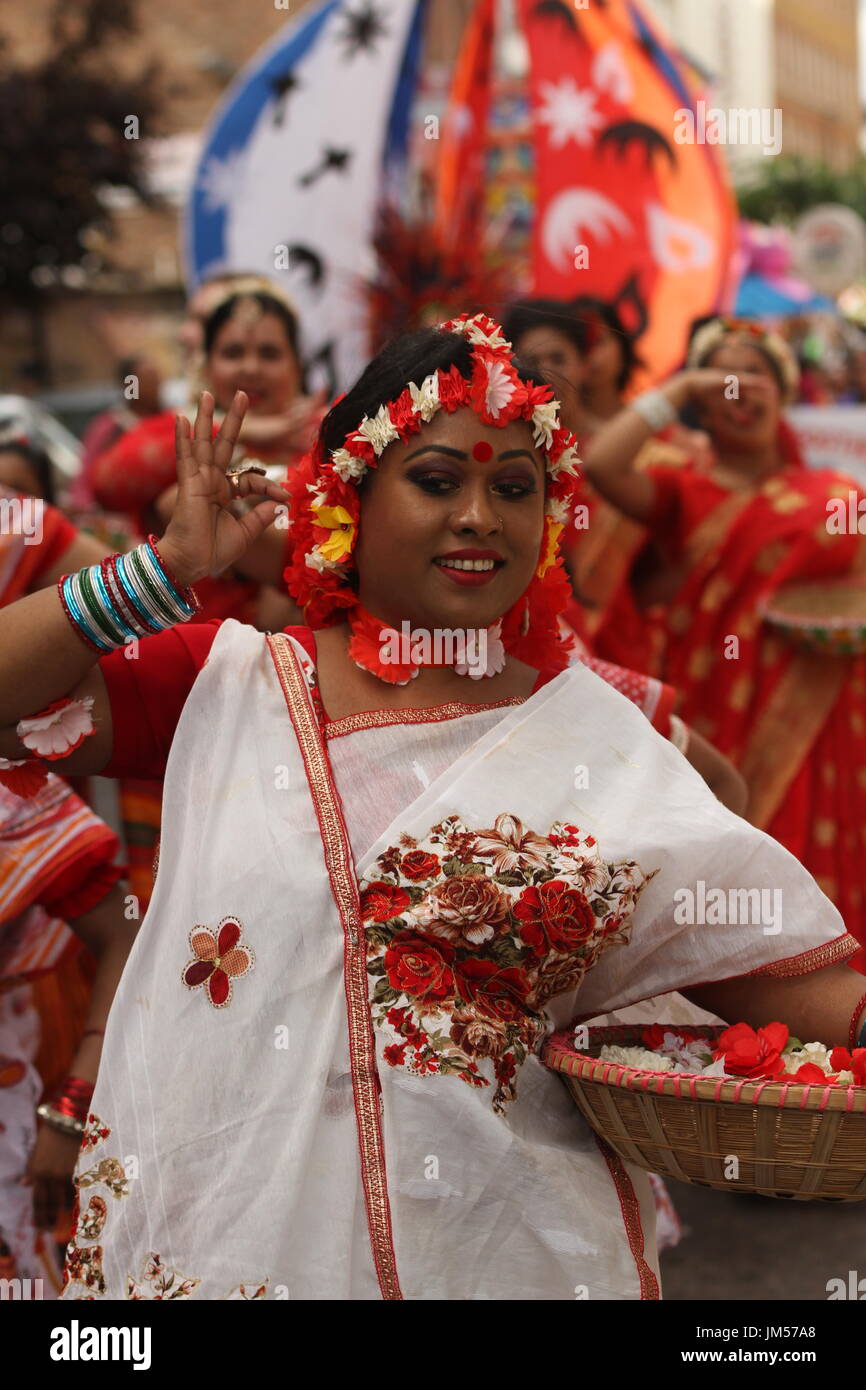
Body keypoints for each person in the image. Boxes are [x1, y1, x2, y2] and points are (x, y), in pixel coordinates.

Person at [0, 314, 862, 1302]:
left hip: (508, 1259)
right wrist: (163, 571)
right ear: (349, 501)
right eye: (437, 481)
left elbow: (784, 975)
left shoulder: (593, 730)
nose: (479, 517)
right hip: (233, 1254)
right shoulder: (233, 683)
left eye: (514, 488)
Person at [582, 317, 866, 962]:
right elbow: (603, 463)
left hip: (821, 715)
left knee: (818, 844)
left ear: (783, 392)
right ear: (702, 404)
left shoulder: (836, 493)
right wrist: (682, 386)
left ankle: (831, 991)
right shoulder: (685, 491)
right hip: (719, 713)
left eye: (756, 374)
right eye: (724, 379)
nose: (741, 389)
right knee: (736, 863)